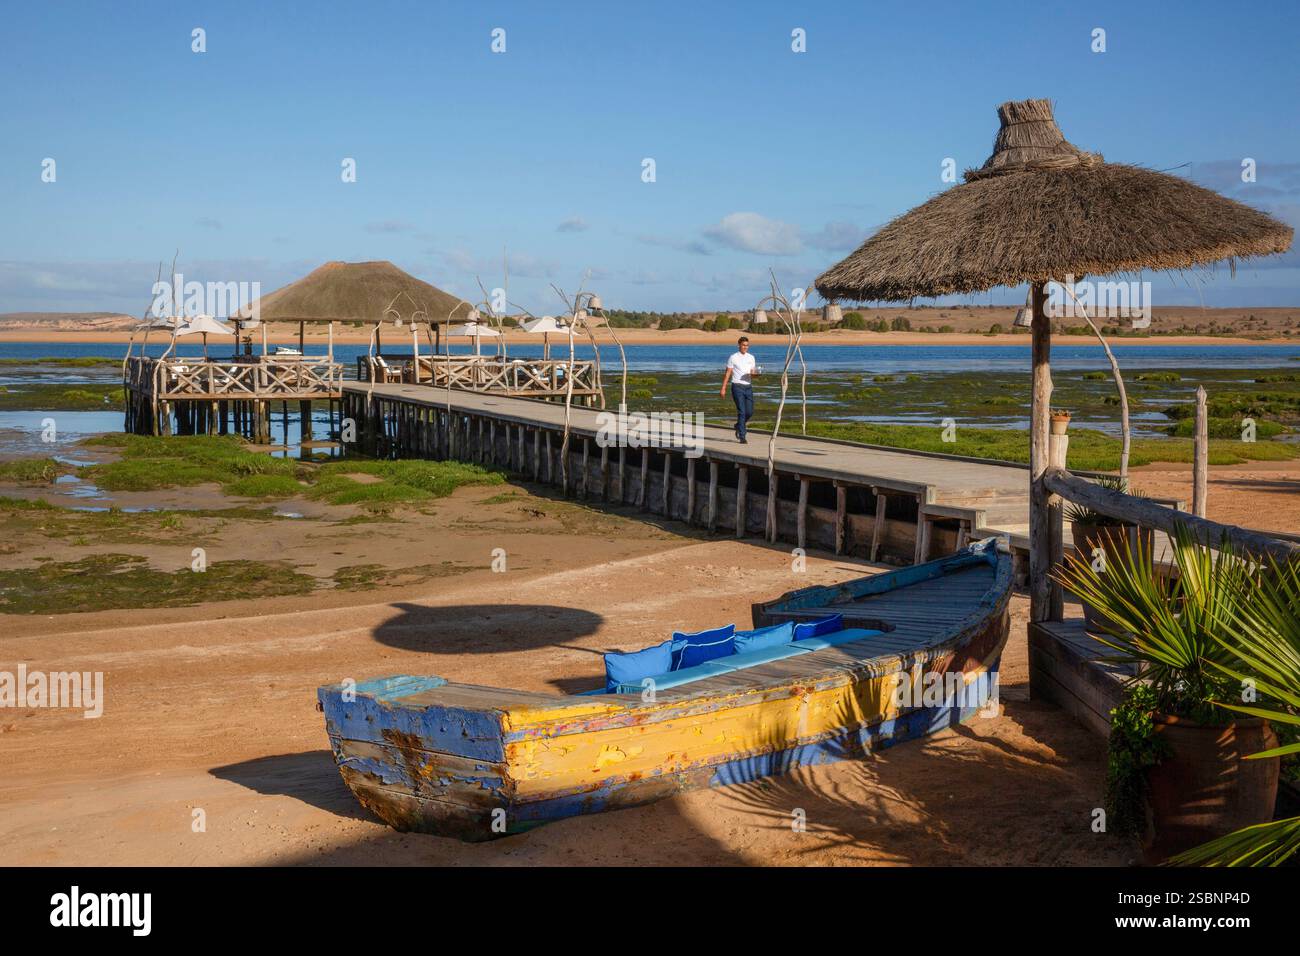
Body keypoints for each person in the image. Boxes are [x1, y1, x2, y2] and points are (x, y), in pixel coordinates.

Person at [720, 336, 759, 443]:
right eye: (743, 345)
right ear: (739, 345)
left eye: (747, 345)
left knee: (749, 412)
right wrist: (723, 388)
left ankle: (738, 425)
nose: (745, 347)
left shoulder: (751, 357)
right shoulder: (733, 357)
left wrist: (756, 374)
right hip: (737, 386)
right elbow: (728, 373)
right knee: (742, 411)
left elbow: (753, 373)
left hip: (748, 387)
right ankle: (742, 436)